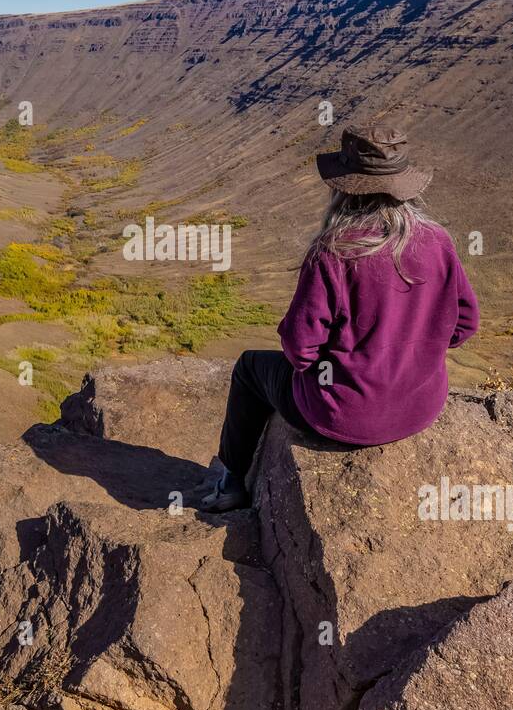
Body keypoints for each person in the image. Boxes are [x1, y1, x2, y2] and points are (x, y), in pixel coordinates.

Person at [202, 120, 480, 512]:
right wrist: (413, 354)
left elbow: (300, 351)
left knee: (250, 368)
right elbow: (465, 324)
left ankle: (232, 482)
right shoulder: (438, 242)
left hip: (342, 416)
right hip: (420, 408)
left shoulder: (333, 252)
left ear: (342, 187)